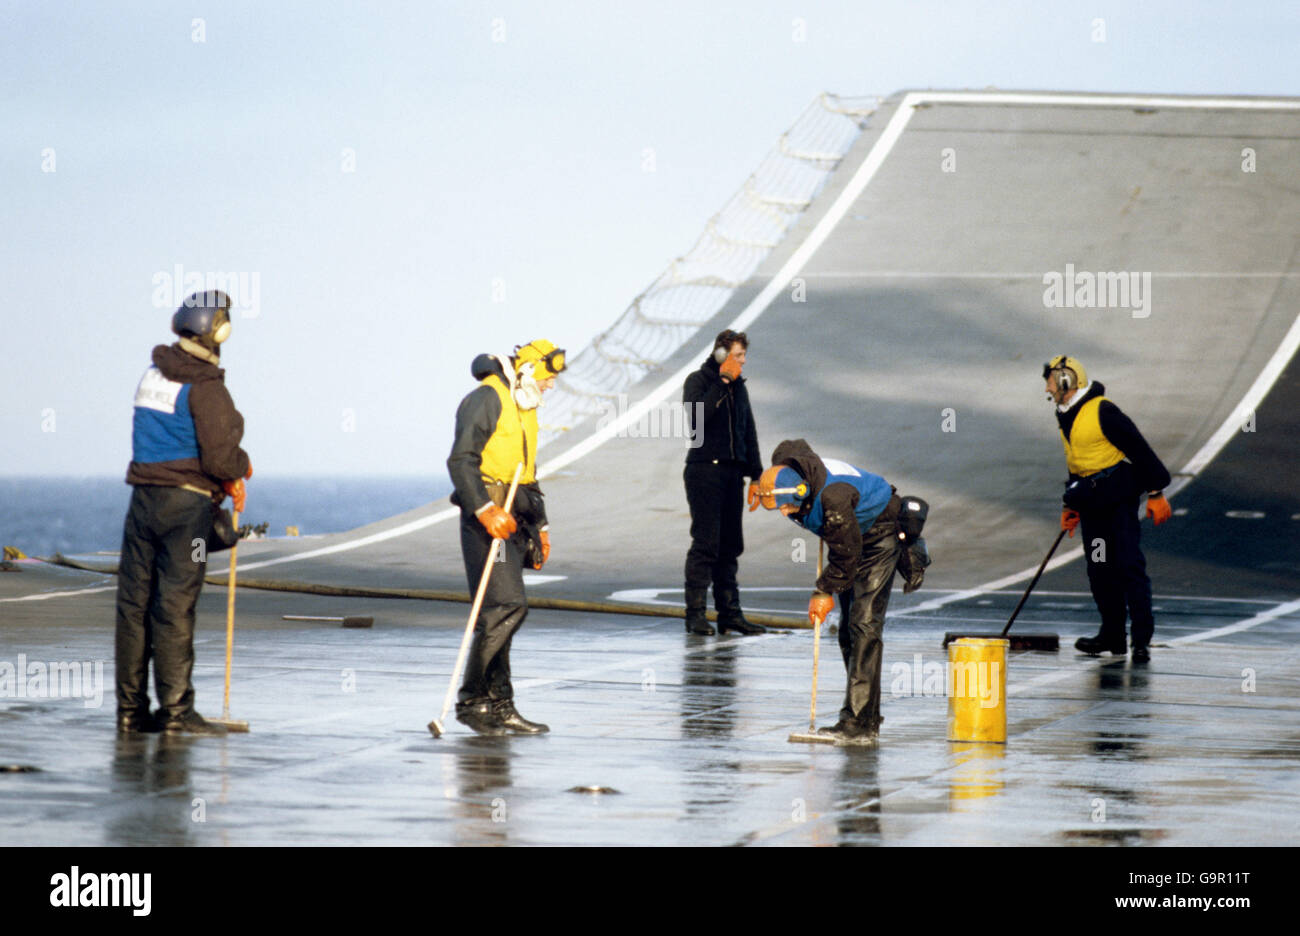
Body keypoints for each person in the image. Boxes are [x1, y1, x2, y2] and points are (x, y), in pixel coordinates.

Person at [115, 290, 252, 735]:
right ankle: (176, 712)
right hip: (187, 515)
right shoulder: (208, 388)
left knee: (134, 606)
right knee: (175, 606)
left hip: (142, 506)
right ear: (218, 331)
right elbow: (219, 460)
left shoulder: (151, 376)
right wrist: (240, 466)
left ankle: (131, 712)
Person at [754, 439, 930, 744]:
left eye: (784, 505)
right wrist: (760, 485)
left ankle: (859, 724)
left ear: (801, 492)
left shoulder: (833, 499)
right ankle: (866, 715)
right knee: (848, 632)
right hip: (849, 534)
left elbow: (846, 556)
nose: (783, 513)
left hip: (877, 536)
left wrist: (823, 591)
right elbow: (790, 446)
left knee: (864, 625)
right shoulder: (789, 467)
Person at [446, 340, 565, 735]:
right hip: (488, 522)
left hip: (516, 520)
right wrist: (484, 508)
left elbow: (527, 471)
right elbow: (461, 460)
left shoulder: (523, 404)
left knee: (501, 611)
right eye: (548, 378)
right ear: (529, 370)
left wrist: (542, 526)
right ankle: (473, 701)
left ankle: (499, 704)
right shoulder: (487, 399)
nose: (550, 386)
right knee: (507, 606)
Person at [1044, 355, 1171, 663]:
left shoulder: (1103, 411)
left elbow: (1139, 450)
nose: (1046, 386)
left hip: (1117, 502)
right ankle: (1113, 634)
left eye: (1049, 379)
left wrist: (1156, 493)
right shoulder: (1064, 414)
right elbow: (1077, 465)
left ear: (1065, 381)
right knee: (1099, 568)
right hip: (1091, 504)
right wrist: (1069, 504)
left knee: (1128, 565)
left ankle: (1141, 639)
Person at [680, 329, 766, 637]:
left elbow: (748, 432)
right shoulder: (699, 381)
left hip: (732, 474)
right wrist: (722, 381)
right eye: (737, 356)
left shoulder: (740, 388)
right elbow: (696, 422)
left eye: (743, 355)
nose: (742, 362)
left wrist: (756, 475)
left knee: (730, 546)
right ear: (721, 355)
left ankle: (730, 614)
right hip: (704, 471)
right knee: (706, 544)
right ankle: (695, 614)